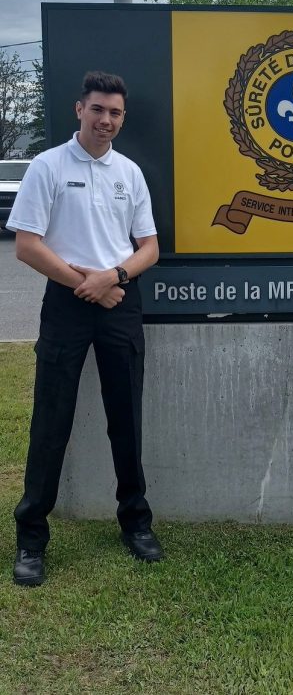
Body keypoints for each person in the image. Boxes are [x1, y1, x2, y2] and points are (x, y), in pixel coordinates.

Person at [8, 70, 163, 586]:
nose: (106, 120)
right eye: (98, 109)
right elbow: (28, 244)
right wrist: (88, 283)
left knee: (126, 416)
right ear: (79, 109)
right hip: (68, 303)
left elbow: (149, 248)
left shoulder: (129, 173)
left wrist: (112, 278)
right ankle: (31, 537)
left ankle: (135, 522)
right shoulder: (47, 166)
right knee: (51, 419)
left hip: (120, 301)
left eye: (115, 112)